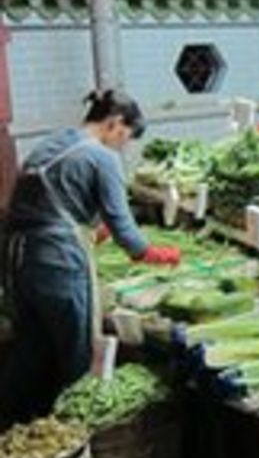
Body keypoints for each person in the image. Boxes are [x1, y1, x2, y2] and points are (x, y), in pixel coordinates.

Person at [1, 90, 181, 424]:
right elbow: (126, 230)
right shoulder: (101, 157)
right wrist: (152, 252)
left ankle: (11, 424)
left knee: (32, 345)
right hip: (57, 261)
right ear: (114, 123)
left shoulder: (52, 143)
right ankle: (79, 436)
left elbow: (50, 203)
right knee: (78, 352)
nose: (122, 146)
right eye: (125, 137)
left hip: (16, 258)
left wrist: (95, 231)